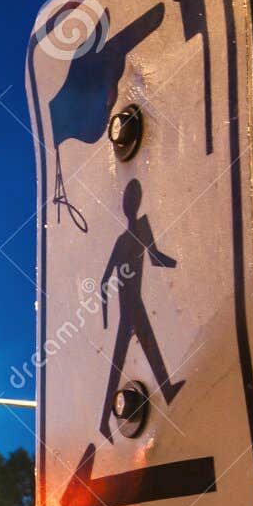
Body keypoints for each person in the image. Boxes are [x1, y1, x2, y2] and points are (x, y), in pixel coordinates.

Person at [98, 179, 184, 441]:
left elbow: (156, 257)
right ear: (126, 206)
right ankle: (104, 421)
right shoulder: (123, 239)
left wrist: (179, 264)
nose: (131, 204)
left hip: (134, 303)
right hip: (128, 305)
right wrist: (103, 319)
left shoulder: (140, 229)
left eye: (133, 198)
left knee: (141, 349)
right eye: (129, 200)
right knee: (120, 361)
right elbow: (104, 280)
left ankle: (165, 391)